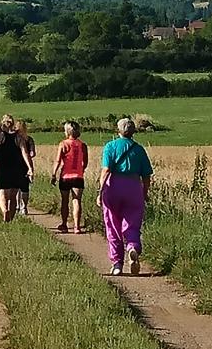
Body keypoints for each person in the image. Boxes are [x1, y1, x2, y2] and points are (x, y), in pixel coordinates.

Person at [99, 116, 152, 275]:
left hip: (113, 187)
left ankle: (117, 263)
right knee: (132, 223)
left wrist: (100, 191)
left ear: (118, 130)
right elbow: (146, 176)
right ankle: (132, 246)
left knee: (112, 225)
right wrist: (144, 193)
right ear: (133, 132)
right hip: (134, 188)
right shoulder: (139, 149)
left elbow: (106, 170)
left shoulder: (110, 146)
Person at [52, 121, 89, 234]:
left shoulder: (63, 144)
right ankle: (77, 227)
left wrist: (54, 174)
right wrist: (81, 170)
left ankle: (64, 224)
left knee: (65, 201)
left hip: (65, 177)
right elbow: (85, 162)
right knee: (76, 201)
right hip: (78, 177)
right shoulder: (82, 145)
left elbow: (58, 160)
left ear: (67, 131)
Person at [0, 114, 31, 221]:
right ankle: (10, 218)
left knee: (2, 193)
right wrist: (30, 167)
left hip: (3, 167)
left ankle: (4, 210)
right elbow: (25, 153)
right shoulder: (18, 137)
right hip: (16, 169)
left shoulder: (0, 136)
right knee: (13, 196)